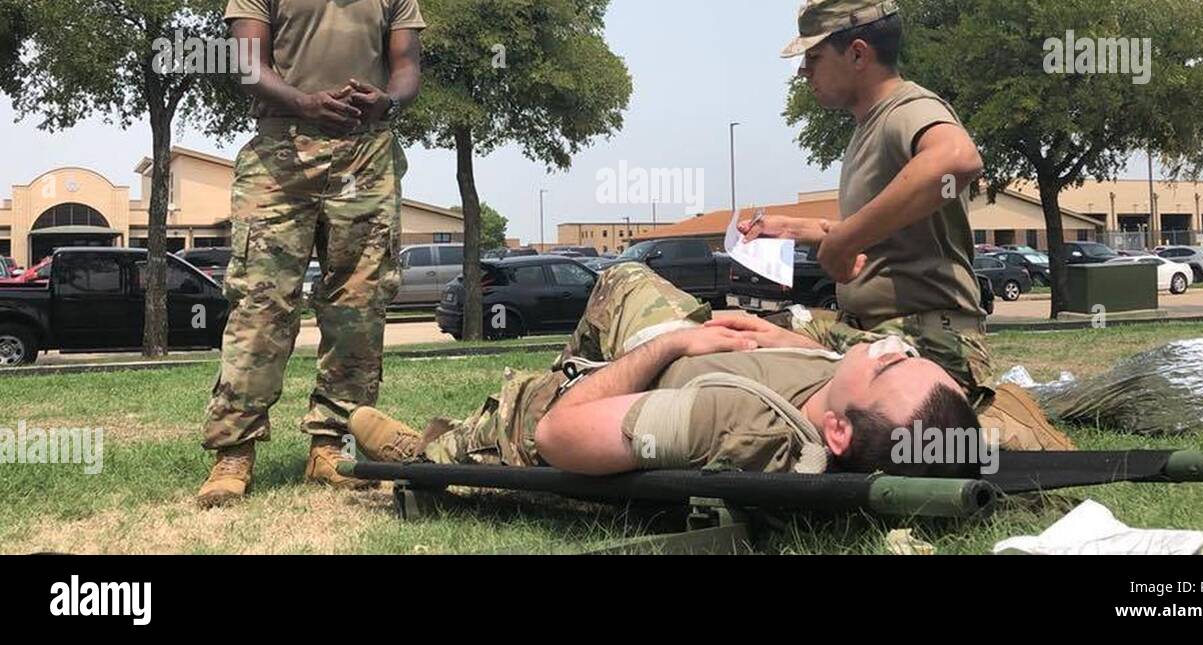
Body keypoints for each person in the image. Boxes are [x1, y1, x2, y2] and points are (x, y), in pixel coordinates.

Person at [197, 0, 426, 508]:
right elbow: (247, 64)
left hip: (366, 157)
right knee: (261, 304)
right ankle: (232, 453)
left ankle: (331, 445)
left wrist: (390, 101)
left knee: (358, 307)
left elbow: (407, 64)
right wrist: (304, 102)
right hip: (281, 159)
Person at [349, 263, 982, 477]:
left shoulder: (736, 421)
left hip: (559, 407)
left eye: (886, 365)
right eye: (904, 353)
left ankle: (420, 455)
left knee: (515, 412)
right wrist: (772, 333)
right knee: (623, 279)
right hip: (683, 351)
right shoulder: (865, 393)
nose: (885, 348)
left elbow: (558, 434)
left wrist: (673, 347)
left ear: (838, 434)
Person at [740, 0, 991, 401]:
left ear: (857, 54)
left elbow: (958, 160)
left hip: (925, 341)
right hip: (875, 332)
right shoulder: (868, 127)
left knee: (753, 372)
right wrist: (789, 228)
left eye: (814, 58)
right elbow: (875, 237)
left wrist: (842, 244)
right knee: (740, 334)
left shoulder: (907, 109)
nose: (803, 72)